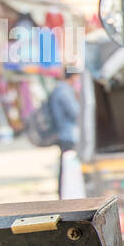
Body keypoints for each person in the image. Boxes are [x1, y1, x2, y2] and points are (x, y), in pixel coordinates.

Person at [46, 69, 82, 197]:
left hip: (66, 133)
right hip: (68, 134)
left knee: (65, 166)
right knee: (67, 166)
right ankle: (65, 194)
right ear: (72, 77)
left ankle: (64, 193)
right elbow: (75, 112)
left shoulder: (62, 89)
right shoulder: (64, 91)